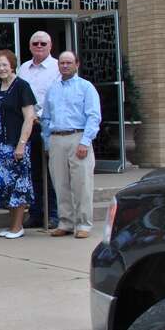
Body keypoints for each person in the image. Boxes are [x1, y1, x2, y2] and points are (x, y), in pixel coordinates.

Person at [40, 51, 102, 240]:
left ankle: (83, 224)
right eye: (62, 63)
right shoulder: (53, 89)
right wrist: (47, 141)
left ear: (77, 64)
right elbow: (46, 118)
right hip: (57, 139)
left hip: (78, 137)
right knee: (60, 183)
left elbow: (94, 116)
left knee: (81, 183)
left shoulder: (86, 87)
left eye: (68, 63)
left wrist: (85, 141)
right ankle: (65, 222)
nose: (65, 66)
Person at [0, 49, 37, 239]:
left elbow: (29, 117)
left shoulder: (22, 86)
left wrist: (21, 144)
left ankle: (17, 227)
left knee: (18, 186)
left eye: (5, 64)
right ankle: (12, 225)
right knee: (5, 187)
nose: (1, 68)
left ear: (12, 65)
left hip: (16, 145)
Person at [17, 30, 61, 229]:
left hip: (49, 126)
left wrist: (39, 114)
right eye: (35, 43)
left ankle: (53, 214)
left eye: (43, 43)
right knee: (33, 171)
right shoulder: (24, 68)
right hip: (29, 127)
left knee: (51, 173)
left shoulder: (57, 67)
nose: (39, 46)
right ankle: (35, 212)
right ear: (30, 46)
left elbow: (58, 97)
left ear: (50, 46)